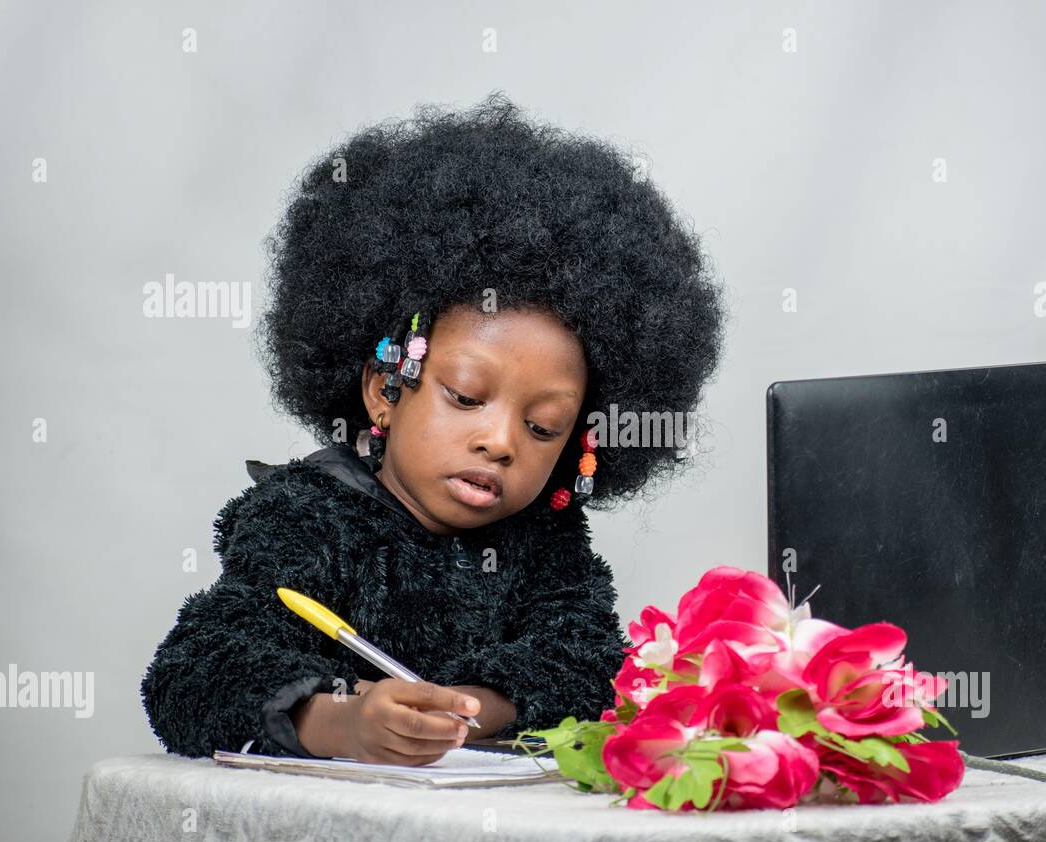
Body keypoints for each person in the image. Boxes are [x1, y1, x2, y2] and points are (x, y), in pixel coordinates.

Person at [139, 92, 727, 765]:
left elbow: (589, 663)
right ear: (382, 390)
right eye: (467, 397)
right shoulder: (305, 516)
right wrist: (343, 721)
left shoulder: (545, 538)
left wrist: (467, 711)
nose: (501, 441)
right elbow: (194, 673)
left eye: (542, 426)